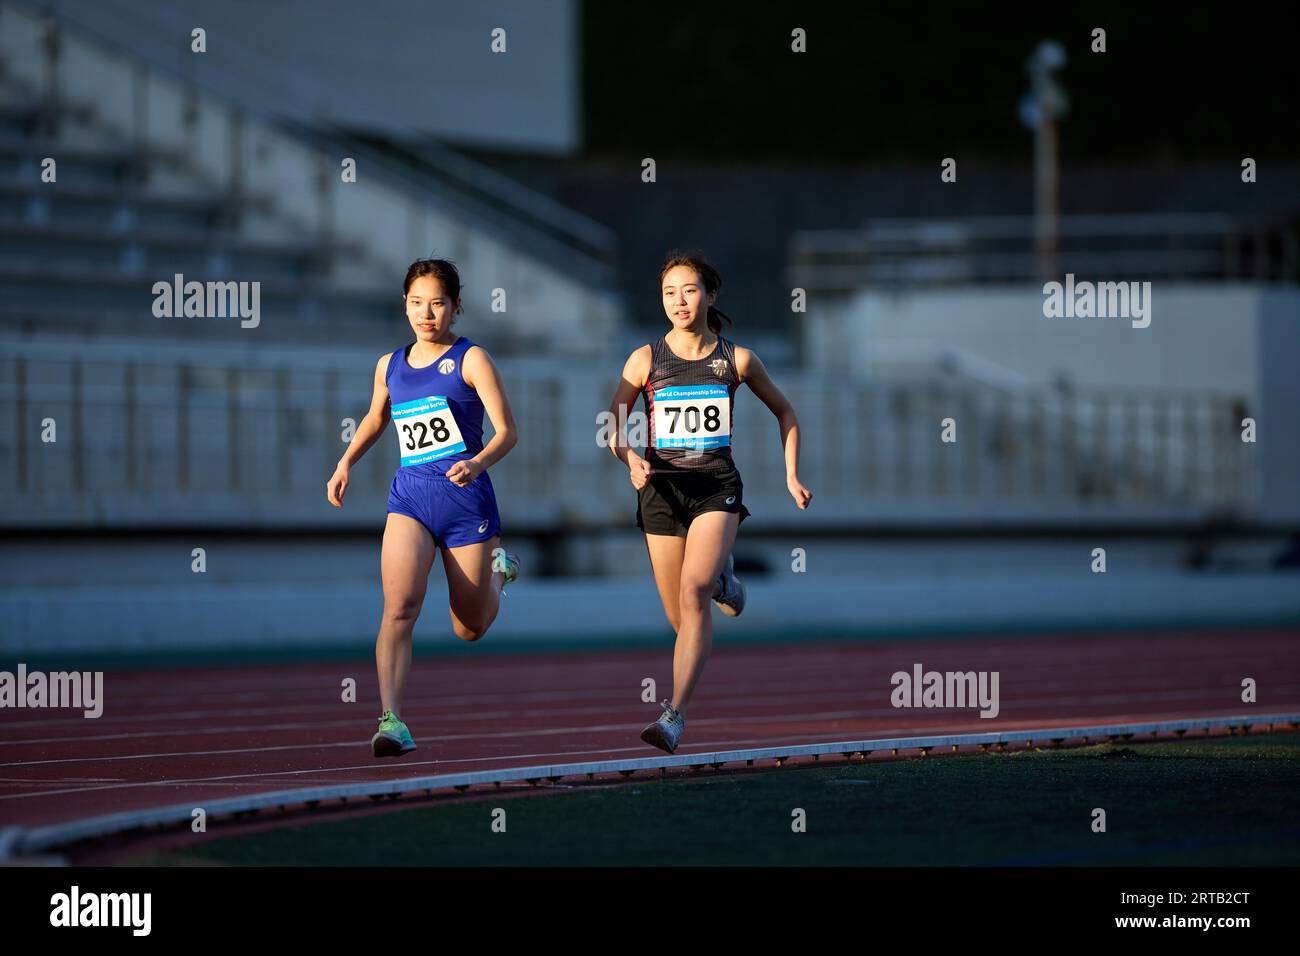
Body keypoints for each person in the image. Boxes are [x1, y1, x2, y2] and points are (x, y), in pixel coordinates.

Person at [605, 251, 812, 753]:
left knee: (692, 593)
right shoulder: (644, 359)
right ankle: (726, 580)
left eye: (690, 290)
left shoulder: (736, 359)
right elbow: (613, 425)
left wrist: (790, 474)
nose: (679, 301)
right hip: (660, 491)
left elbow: (785, 411)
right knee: (680, 617)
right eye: (669, 292)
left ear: (709, 295)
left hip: (716, 488)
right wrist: (629, 457)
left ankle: (672, 716)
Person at [327, 258, 520, 757]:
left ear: (456, 306)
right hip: (410, 497)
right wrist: (345, 461)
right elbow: (375, 418)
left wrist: (477, 464)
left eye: (437, 303)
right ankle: (391, 719)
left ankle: (499, 570)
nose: (426, 313)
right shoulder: (388, 365)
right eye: (416, 303)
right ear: (405, 305)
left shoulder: (472, 359)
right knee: (398, 608)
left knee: (469, 627)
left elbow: (507, 432)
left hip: (465, 499)